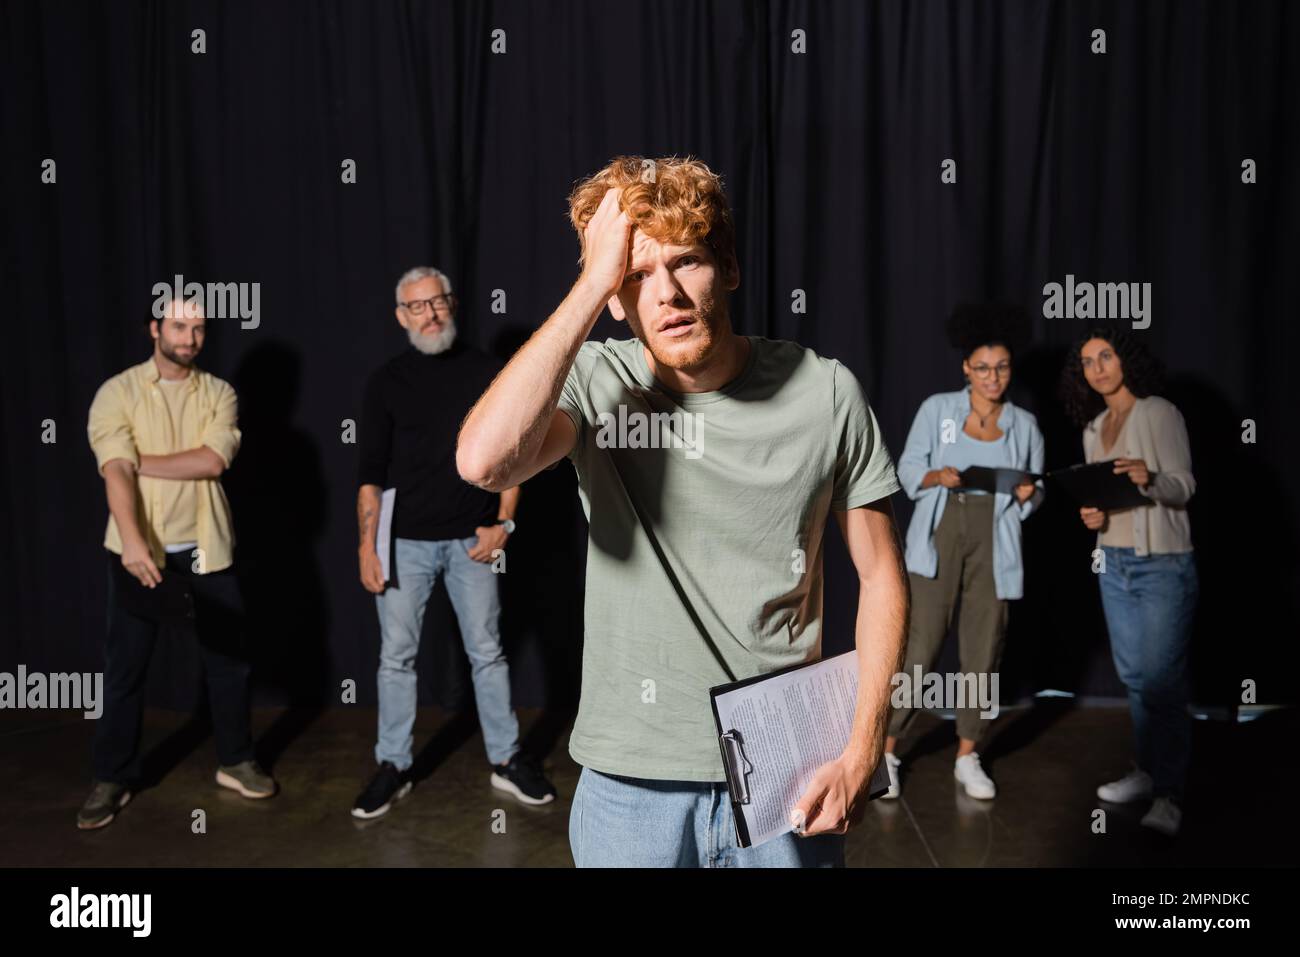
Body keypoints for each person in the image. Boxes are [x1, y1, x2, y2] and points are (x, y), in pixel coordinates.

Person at [456, 156, 909, 867]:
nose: (664, 294)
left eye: (686, 261)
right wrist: (590, 284)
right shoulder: (599, 383)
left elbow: (881, 576)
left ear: (725, 266)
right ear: (613, 295)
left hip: (784, 762)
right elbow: (484, 461)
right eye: (635, 276)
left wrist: (862, 748)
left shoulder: (826, 393)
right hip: (630, 779)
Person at [352, 266, 556, 819]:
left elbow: (516, 456)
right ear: (402, 316)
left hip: (473, 541)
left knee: (487, 653)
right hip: (404, 544)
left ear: (453, 304)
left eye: (438, 302)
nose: (430, 313)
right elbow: (370, 472)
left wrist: (505, 524)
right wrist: (368, 546)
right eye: (417, 306)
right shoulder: (386, 381)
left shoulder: (488, 372)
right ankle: (393, 766)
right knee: (396, 659)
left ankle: (507, 760)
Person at [79, 297, 275, 830]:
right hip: (141, 550)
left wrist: (135, 458)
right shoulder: (117, 392)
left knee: (229, 664)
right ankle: (113, 776)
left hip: (208, 546)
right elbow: (113, 473)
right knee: (125, 670)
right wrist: (133, 538)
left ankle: (235, 761)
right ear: (155, 328)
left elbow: (212, 460)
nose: (189, 337)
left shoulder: (220, 393)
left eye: (198, 328)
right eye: (179, 325)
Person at [885, 304, 1045, 800]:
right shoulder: (939, 411)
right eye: (982, 368)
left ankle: (967, 754)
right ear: (966, 369)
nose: (992, 377)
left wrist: (1028, 496)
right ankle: (887, 752)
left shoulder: (1025, 426)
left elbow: (1037, 489)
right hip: (942, 531)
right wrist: (937, 475)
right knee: (920, 647)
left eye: (1001, 368)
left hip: (994, 540)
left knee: (983, 651)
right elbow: (908, 467)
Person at [1060, 326, 1198, 837]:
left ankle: (1170, 793)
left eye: (1106, 357)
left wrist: (1150, 479)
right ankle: (1147, 771)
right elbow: (1105, 498)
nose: (1097, 369)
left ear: (1126, 360)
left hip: (1161, 563)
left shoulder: (1159, 412)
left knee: (1163, 681)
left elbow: (1183, 487)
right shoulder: (1094, 427)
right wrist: (1095, 518)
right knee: (1136, 678)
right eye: (1088, 362)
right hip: (1112, 563)